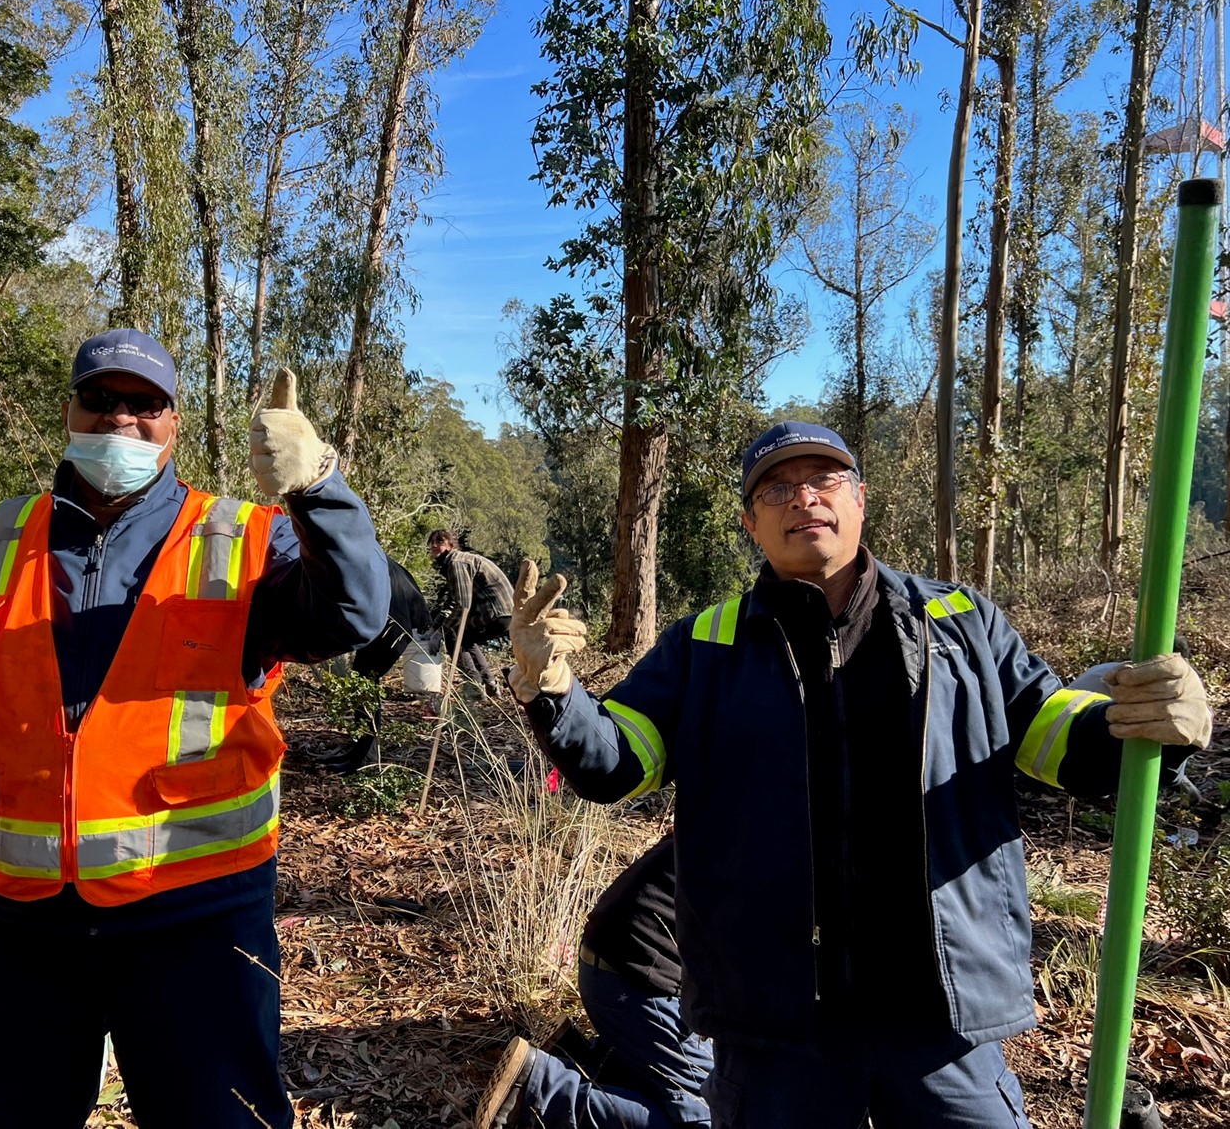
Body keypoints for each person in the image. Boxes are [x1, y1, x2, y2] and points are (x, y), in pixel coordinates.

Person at [504, 420, 1213, 1129]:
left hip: (940, 1021)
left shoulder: (962, 624)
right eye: (777, 488)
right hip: (777, 1028)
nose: (803, 498)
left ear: (860, 500)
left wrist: (1148, 727)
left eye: (823, 480)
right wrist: (554, 691)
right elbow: (618, 763)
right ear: (751, 523)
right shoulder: (704, 646)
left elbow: (1059, 740)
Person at [0, 327, 389, 1129]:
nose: (122, 419)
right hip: (12, 922)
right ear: (69, 413)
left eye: (145, 403)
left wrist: (320, 489)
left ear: (174, 423)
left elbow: (353, 614)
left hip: (195, 918)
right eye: (101, 400)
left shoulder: (249, 537)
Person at [478, 835, 712, 1129]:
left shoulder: (743, 809)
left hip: (611, 965)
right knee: (716, 1114)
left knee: (711, 1083)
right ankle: (542, 1093)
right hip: (639, 983)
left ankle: (582, 1062)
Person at [322, 557, 438, 773]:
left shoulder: (366, 559)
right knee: (363, 683)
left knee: (363, 685)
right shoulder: (377, 557)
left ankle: (366, 759)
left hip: (392, 628)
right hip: (398, 624)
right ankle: (361, 752)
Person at [427, 529, 514, 698]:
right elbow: (453, 601)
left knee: (454, 634)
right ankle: (489, 684)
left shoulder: (456, 563)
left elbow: (462, 604)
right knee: (466, 638)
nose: (435, 546)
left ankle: (474, 686)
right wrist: (434, 627)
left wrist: (440, 633)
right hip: (504, 614)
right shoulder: (456, 561)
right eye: (433, 543)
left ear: (451, 545)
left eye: (440, 542)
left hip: (495, 613)